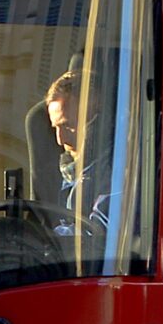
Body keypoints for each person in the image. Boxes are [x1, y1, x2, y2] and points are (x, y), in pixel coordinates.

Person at [44, 68, 110, 226]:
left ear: (97, 122)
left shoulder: (116, 172)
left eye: (68, 126)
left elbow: (96, 237)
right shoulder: (63, 174)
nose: (60, 140)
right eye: (56, 128)